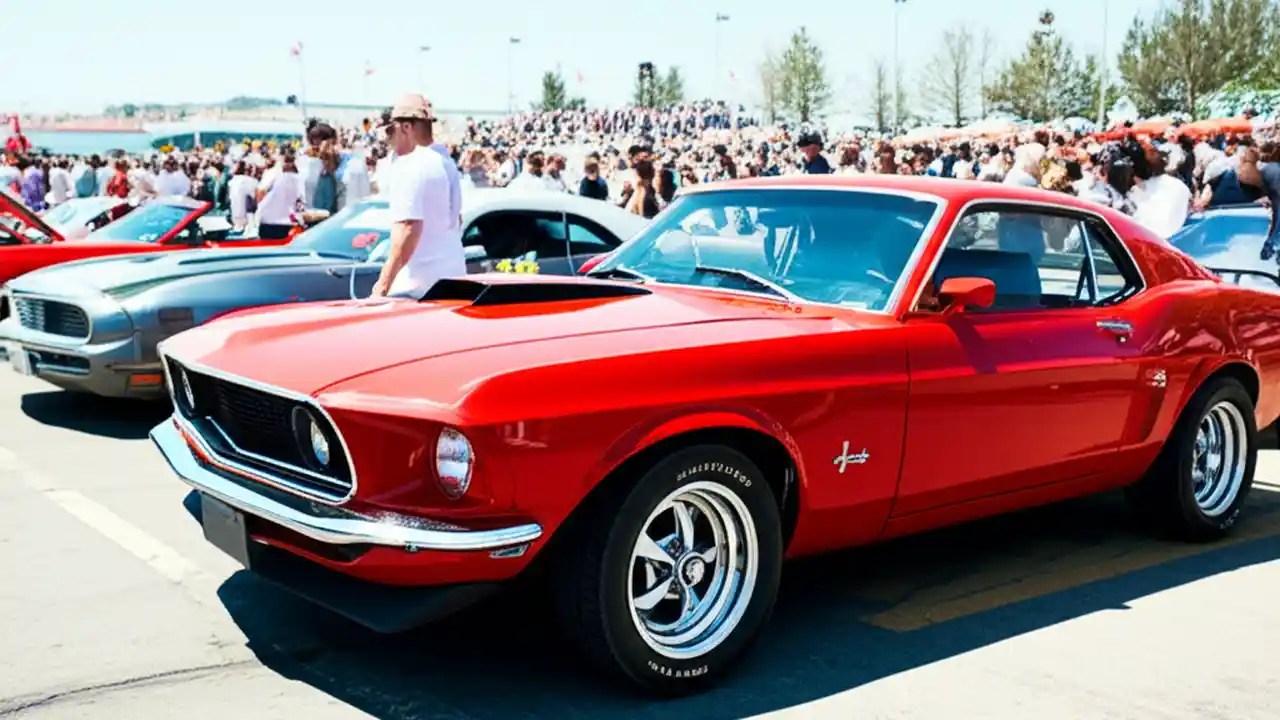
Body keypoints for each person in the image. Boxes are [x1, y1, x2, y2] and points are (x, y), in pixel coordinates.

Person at [371, 93, 462, 298]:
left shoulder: (412, 164)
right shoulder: (446, 162)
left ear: (405, 127)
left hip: (414, 290)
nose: (389, 140)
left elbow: (408, 228)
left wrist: (382, 287)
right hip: (451, 281)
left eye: (390, 130)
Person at [254, 150, 304, 239]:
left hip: (269, 221)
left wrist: (263, 206)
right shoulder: (299, 178)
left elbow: (260, 192)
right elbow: (300, 202)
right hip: (288, 223)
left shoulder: (273, 173)